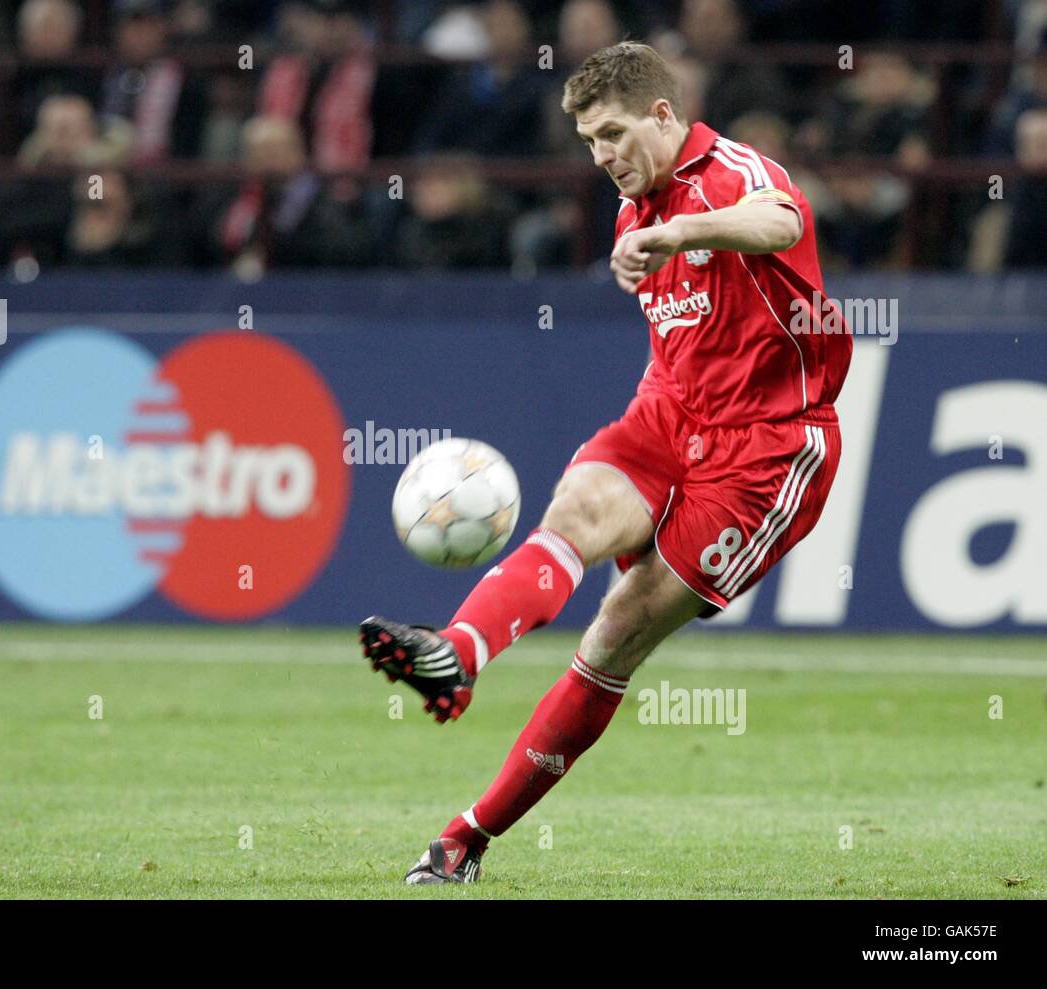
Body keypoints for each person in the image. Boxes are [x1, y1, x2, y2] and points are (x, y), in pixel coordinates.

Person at [360, 41, 852, 885]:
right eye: (590, 142)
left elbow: (786, 222)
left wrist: (684, 230)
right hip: (669, 410)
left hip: (769, 448)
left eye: (615, 133)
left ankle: (464, 836)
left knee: (616, 631)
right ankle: (458, 654)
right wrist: (656, 238)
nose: (604, 156)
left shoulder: (728, 174)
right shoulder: (633, 214)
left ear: (664, 116)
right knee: (573, 512)